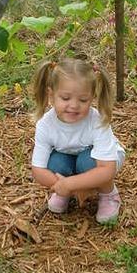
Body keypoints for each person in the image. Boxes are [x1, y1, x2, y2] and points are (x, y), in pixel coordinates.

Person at [31, 58, 125, 224]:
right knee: (55, 163)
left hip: (100, 160)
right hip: (68, 156)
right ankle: (64, 192)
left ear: (92, 98)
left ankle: (108, 193)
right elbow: (38, 170)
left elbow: (107, 169)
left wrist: (72, 184)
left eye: (83, 100)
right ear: (51, 95)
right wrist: (67, 187)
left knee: (87, 162)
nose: (74, 105)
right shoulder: (45, 124)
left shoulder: (97, 121)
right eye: (65, 98)